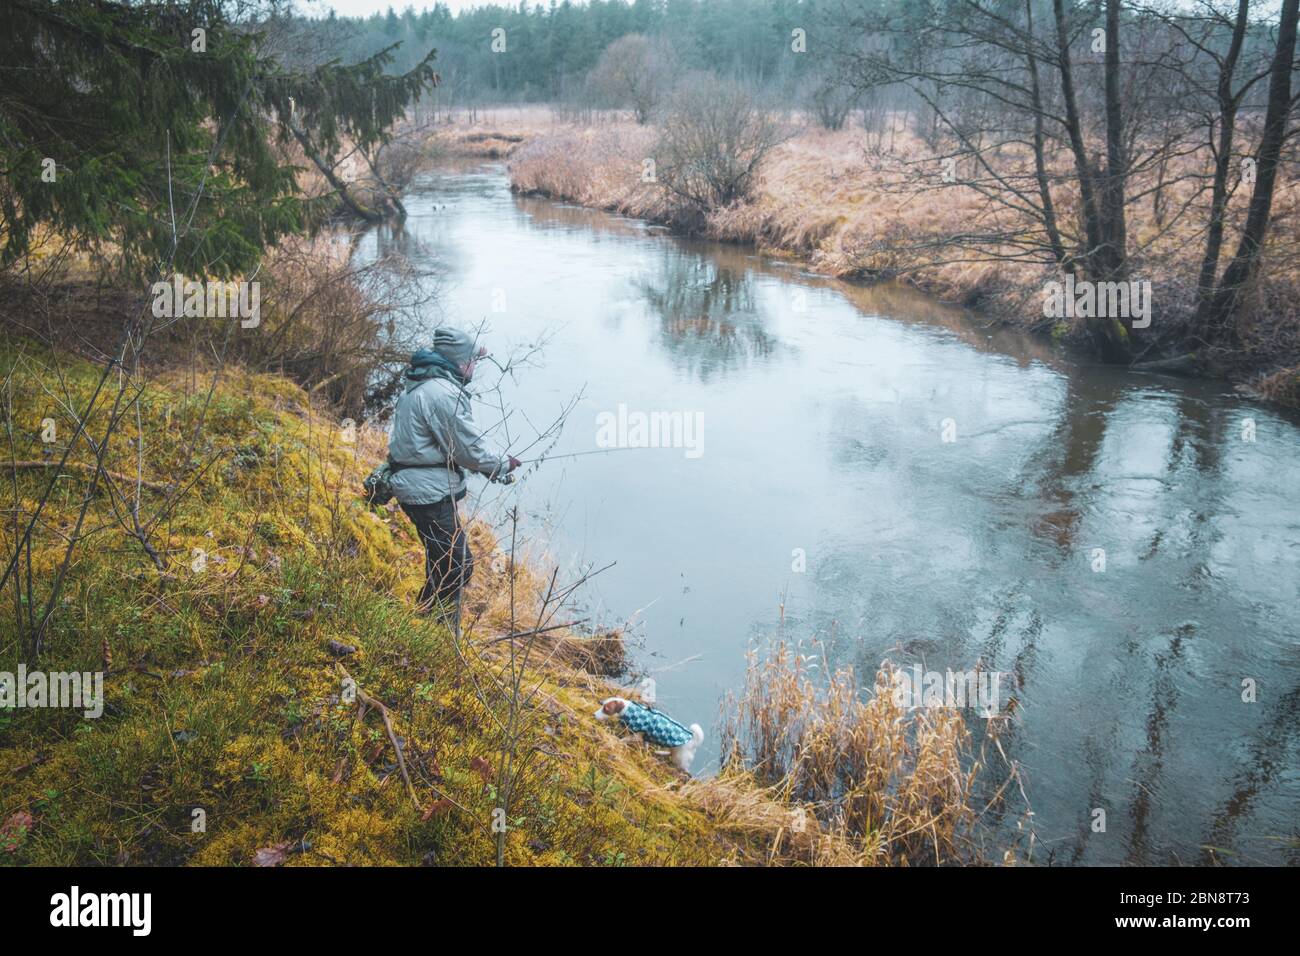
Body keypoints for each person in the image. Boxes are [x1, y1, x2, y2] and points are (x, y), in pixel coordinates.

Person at [388, 327, 519, 617]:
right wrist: (501, 465)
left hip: (419, 488)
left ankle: (426, 623)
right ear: (461, 362)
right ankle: (431, 631)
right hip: (428, 494)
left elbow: (446, 448)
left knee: (441, 561)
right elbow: (468, 449)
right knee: (456, 565)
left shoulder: (425, 385)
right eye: (473, 360)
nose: (475, 366)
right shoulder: (444, 394)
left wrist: (484, 468)